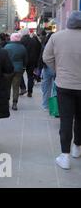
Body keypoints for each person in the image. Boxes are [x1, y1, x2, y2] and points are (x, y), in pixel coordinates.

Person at [43, 11, 81, 170]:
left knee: (65, 120)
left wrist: (58, 70)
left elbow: (46, 57)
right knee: (80, 118)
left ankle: (64, 156)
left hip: (64, 85)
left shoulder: (56, 37)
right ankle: (77, 147)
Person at [4, 33, 28, 111]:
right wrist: (23, 67)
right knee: (16, 87)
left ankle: (7, 102)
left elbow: (3, 58)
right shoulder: (22, 47)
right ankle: (14, 103)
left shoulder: (7, 47)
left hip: (8, 70)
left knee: (7, 86)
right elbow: (25, 60)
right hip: (18, 69)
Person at [19, 28, 42, 97]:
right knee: (30, 76)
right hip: (32, 61)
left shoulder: (21, 40)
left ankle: (23, 88)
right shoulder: (34, 40)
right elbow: (39, 50)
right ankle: (30, 92)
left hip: (23, 61)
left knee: (19, 75)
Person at [38, 31, 55, 111]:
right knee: (55, 88)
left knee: (46, 87)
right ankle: (55, 106)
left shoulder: (45, 46)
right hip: (56, 68)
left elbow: (41, 57)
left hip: (46, 68)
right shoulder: (58, 46)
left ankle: (45, 105)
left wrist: (39, 68)